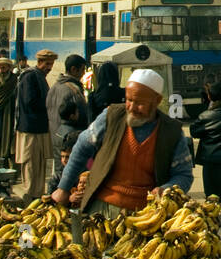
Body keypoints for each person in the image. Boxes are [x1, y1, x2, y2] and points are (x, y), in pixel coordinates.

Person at [52, 68, 193, 213]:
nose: (131, 107)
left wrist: (165, 189)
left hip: (147, 214)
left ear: (156, 101)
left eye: (139, 103)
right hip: (102, 207)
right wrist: (63, 187)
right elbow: (81, 147)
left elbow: (184, 175)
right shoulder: (111, 117)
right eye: (129, 100)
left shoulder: (172, 132)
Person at [15, 49, 56, 199]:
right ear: (39, 62)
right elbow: (29, 102)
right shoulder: (30, 77)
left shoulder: (40, 77)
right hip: (30, 130)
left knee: (39, 165)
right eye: (47, 64)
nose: (49, 67)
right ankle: (30, 196)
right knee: (31, 164)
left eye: (51, 64)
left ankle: (37, 195)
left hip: (39, 129)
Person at [47, 54, 89, 153]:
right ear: (74, 69)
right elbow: (82, 116)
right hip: (69, 141)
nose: (83, 73)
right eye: (82, 69)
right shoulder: (73, 90)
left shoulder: (54, 86)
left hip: (55, 136)